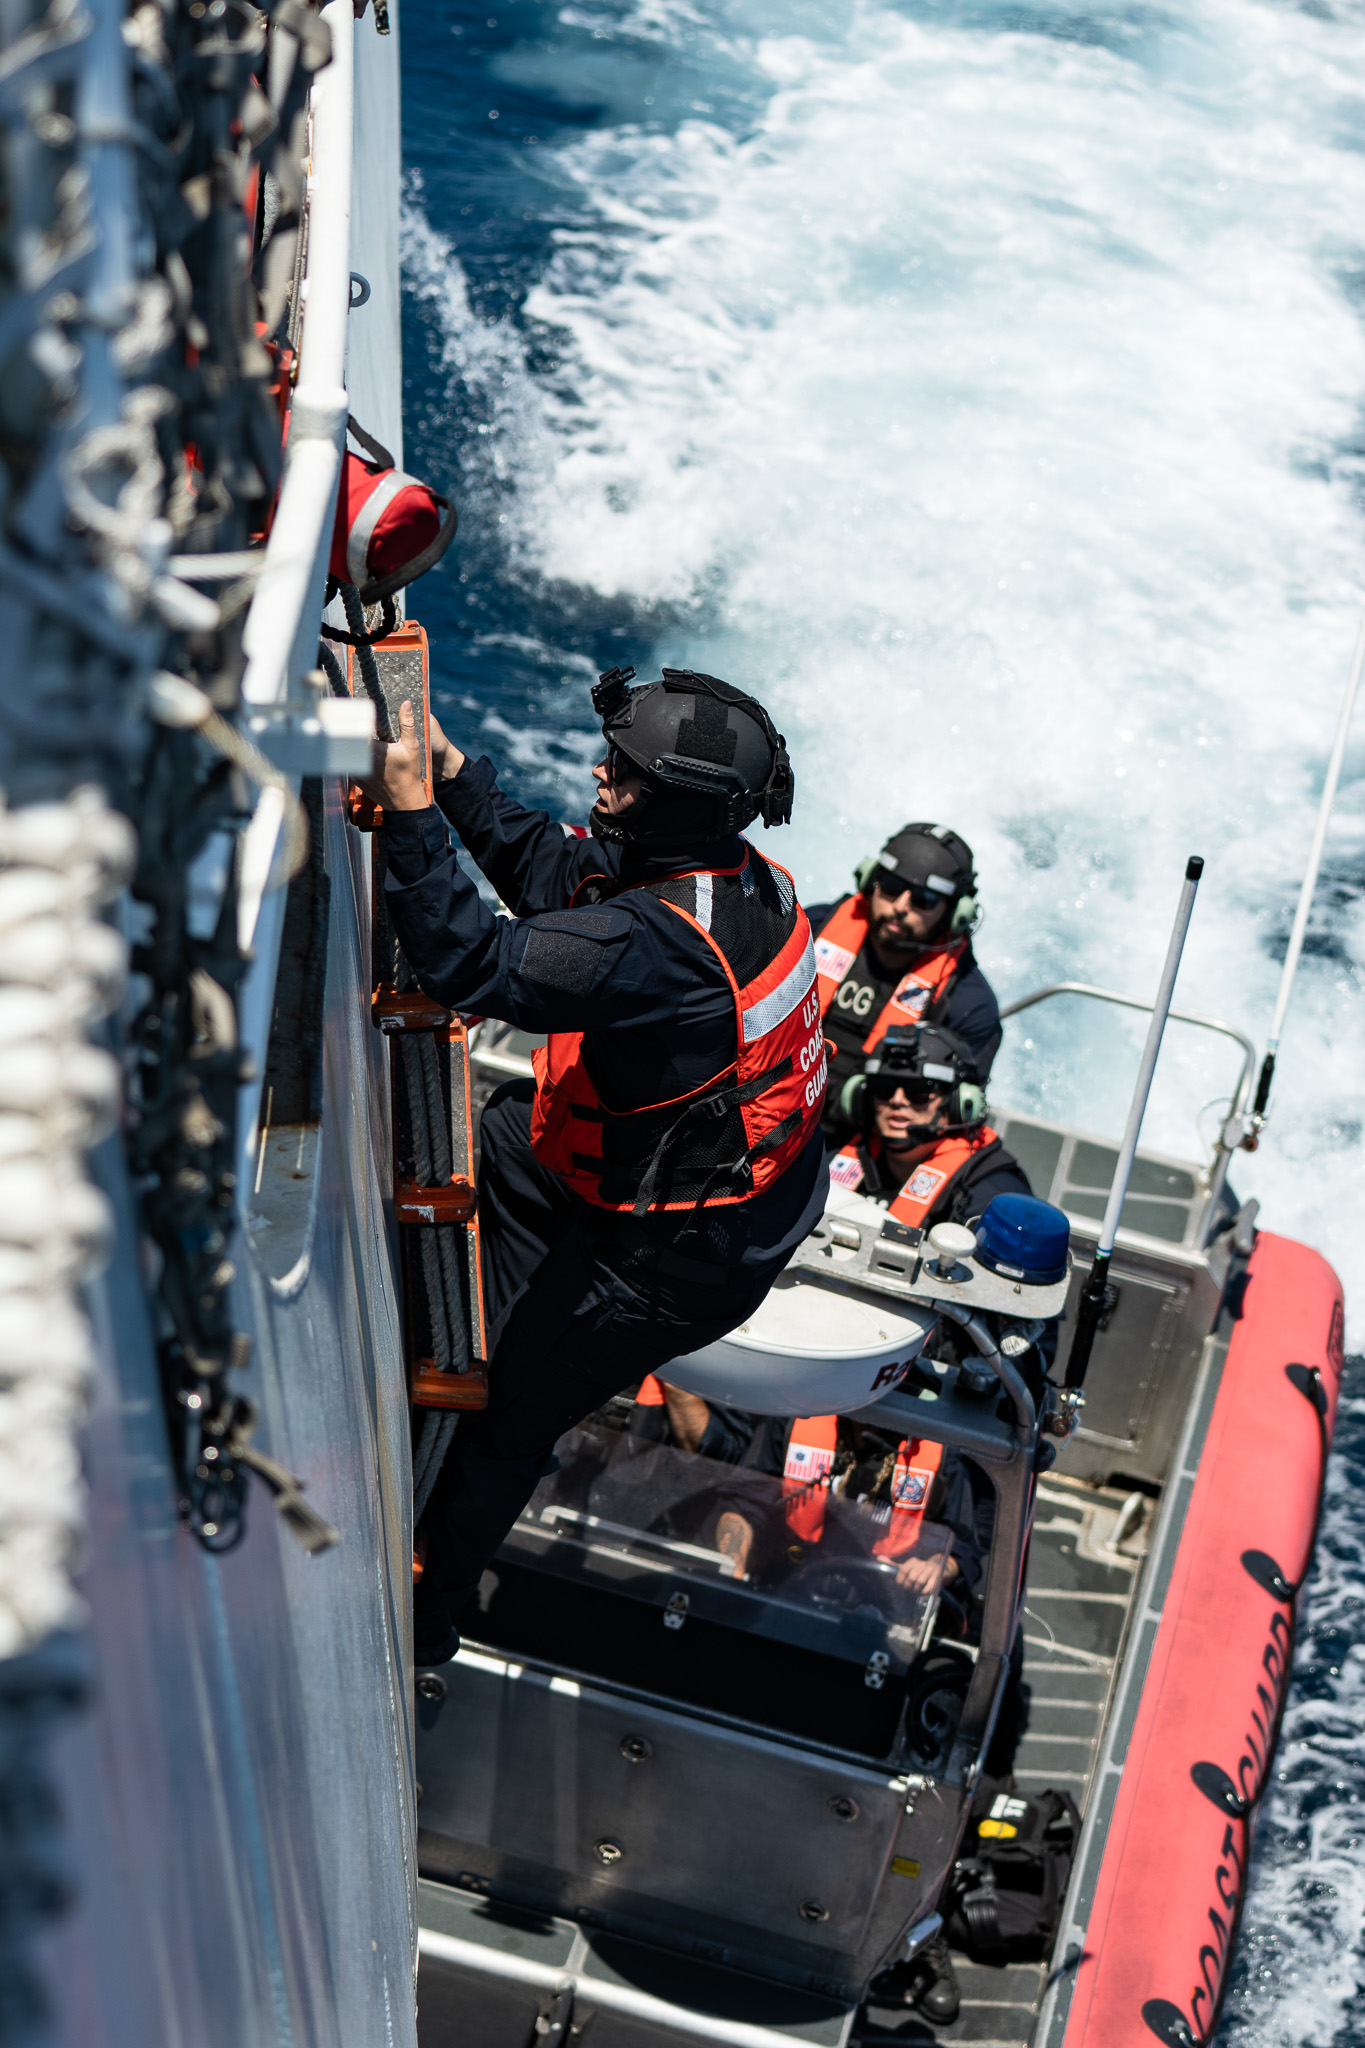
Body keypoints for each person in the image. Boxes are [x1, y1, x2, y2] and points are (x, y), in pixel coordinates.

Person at [364, 664, 830, 1665]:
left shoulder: (657, 943)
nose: (598, 773)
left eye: (620, 769)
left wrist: (407, 815)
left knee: (508, 1420)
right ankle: (465, 1325)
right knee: (505, 1132)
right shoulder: (726, 878)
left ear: (673, 806)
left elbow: (473, 965)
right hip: (692, 1185)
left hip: (676, 1257)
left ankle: (423, 1614)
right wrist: (447, 774)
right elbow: (563, 879)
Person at [808, 823, 1001, 1146]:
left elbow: (952, 1115)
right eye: (892, 887)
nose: (900, 907)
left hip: (855, 1149)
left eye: (924, 900)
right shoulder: (811, 929)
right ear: (871, 880)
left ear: (955, 914)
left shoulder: (969, 1004)